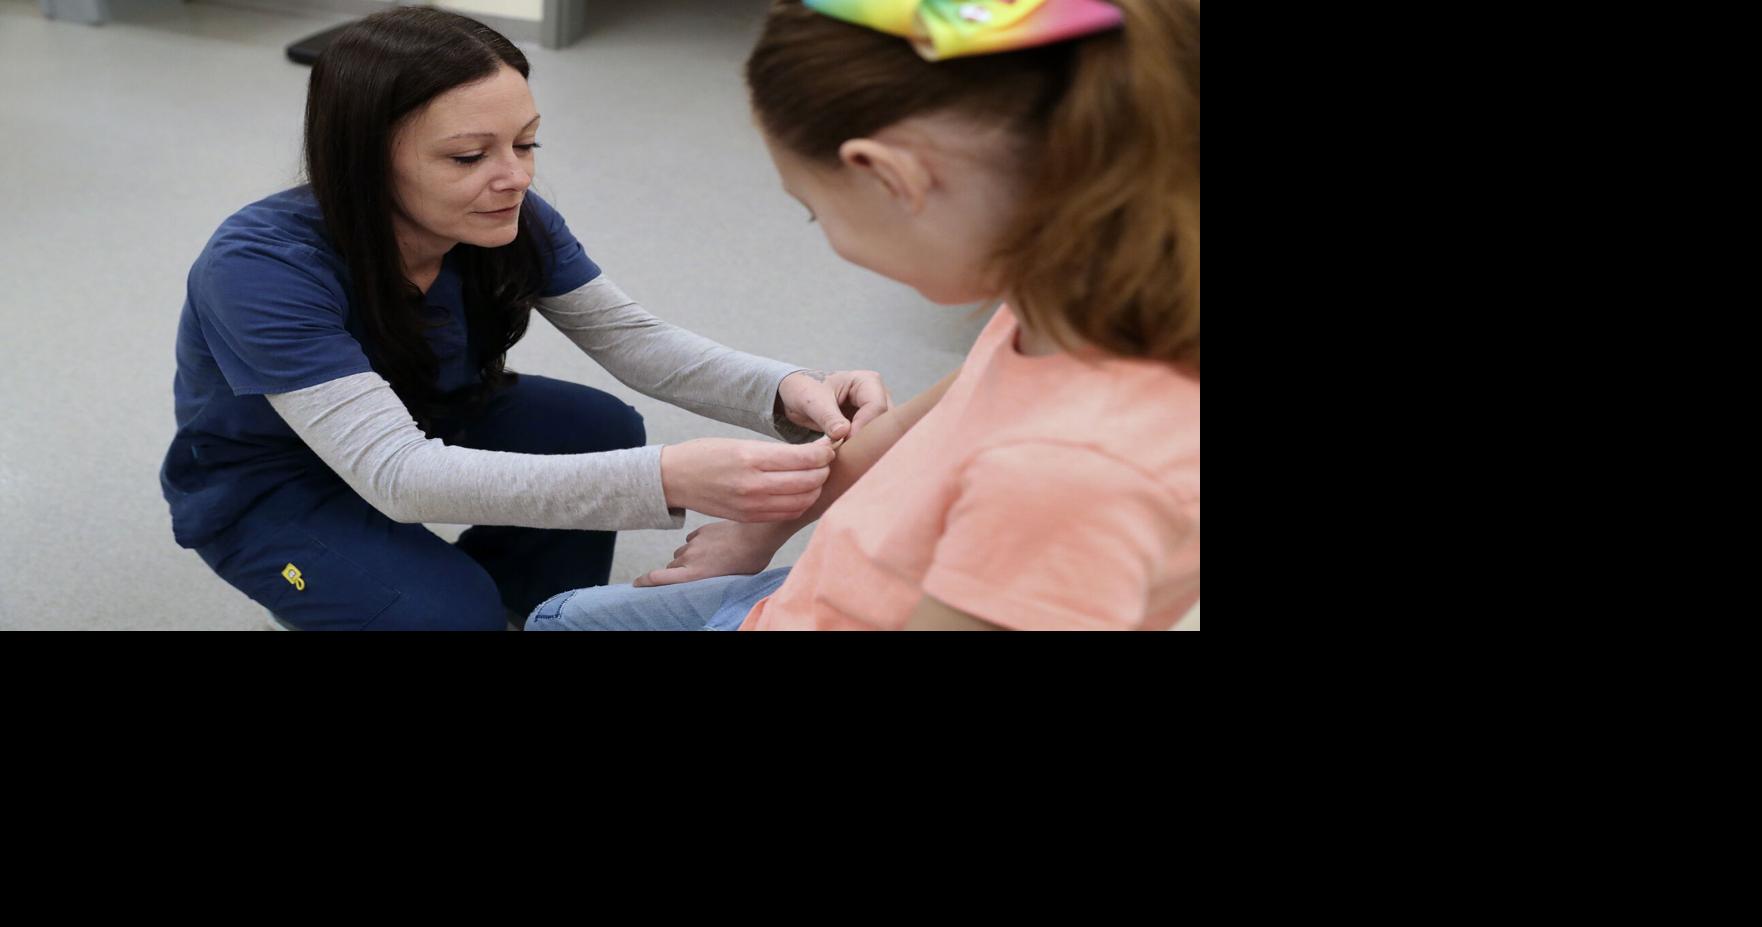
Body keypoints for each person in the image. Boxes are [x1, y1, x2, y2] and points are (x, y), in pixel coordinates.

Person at [160, 6, 890, 630]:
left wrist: (786, 389)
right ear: (364, 160)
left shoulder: (504, 220)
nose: (514, 176)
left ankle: (528, 604)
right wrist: (670, 479)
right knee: (443, 611)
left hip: (423, 414)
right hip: (273, 484)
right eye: (469, 155)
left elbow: (635, 341)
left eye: (526, 142)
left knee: (595, 429)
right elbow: (397, 474)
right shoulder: (260, 268)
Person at [527, 0, 1199, 632]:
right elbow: (916, 423)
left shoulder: (1067, 480)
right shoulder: (1069, 299)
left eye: (814, 207)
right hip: (824, 586)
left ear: (888, 178)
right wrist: (762, 526)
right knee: (557, 615)